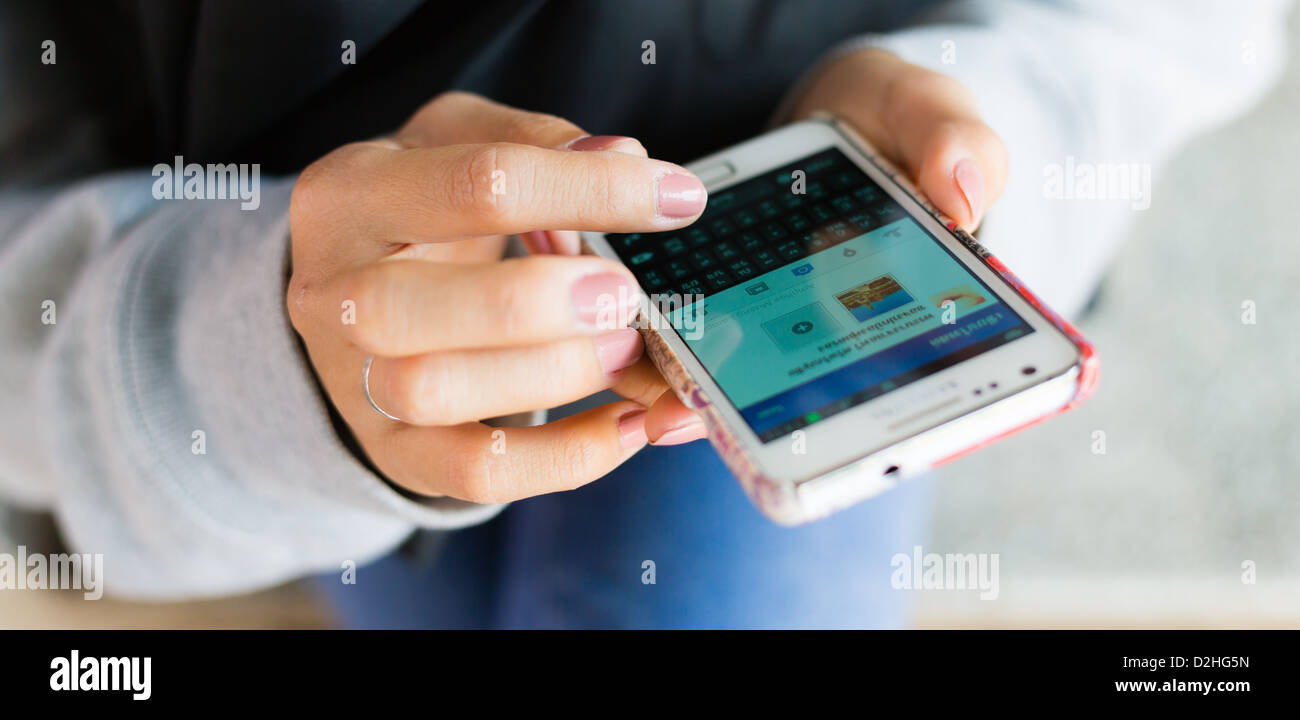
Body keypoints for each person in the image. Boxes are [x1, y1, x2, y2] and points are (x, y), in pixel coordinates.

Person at [0, 0, 1287, 627]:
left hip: (817, 244)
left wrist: (972, 107)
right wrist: (280, 370)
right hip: (305, 292)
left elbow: (1170, 26)